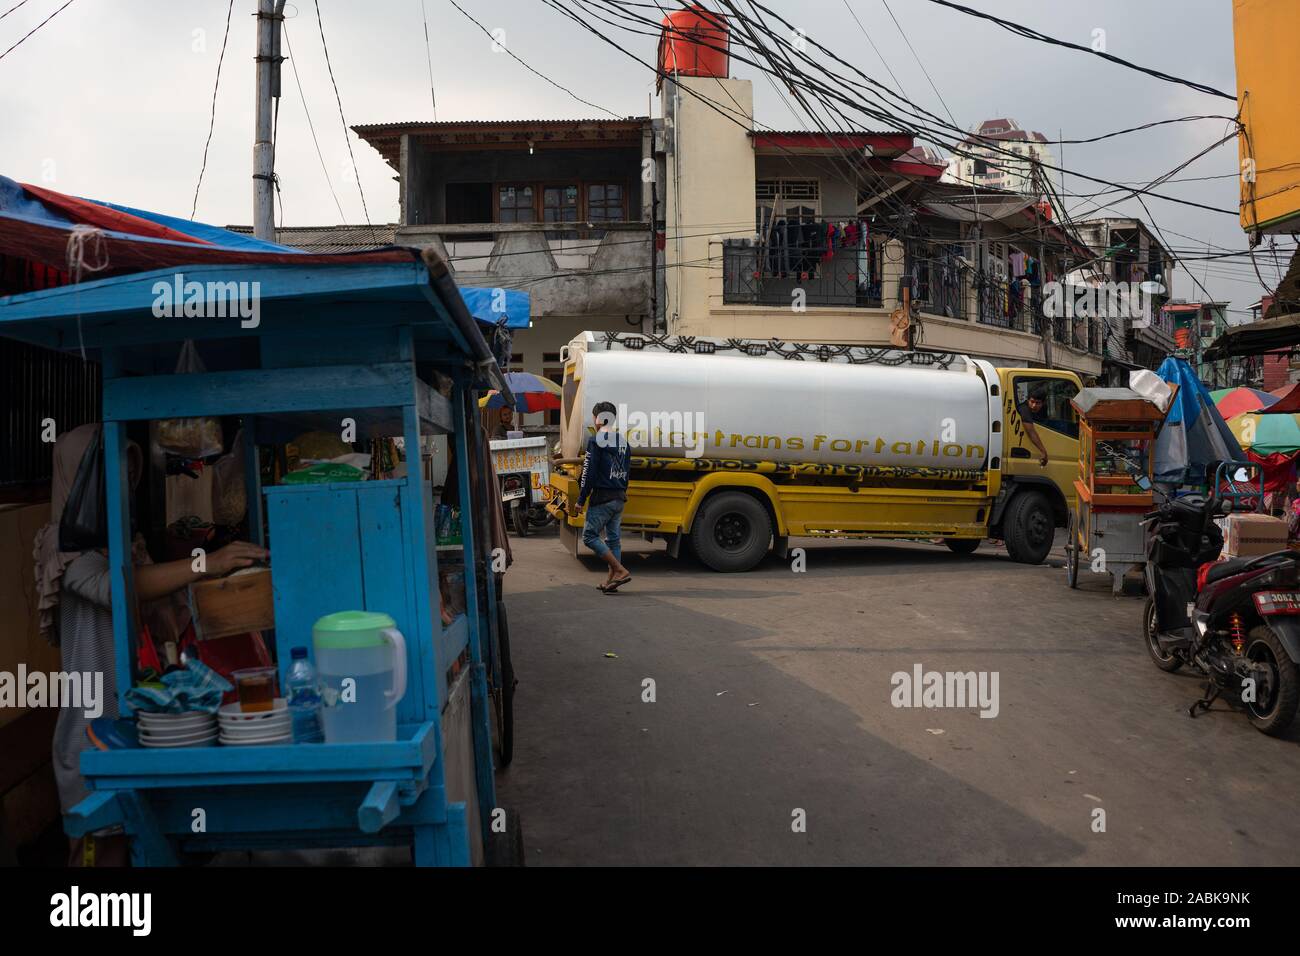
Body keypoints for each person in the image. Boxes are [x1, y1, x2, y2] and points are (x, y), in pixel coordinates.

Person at [33, 424, 267, 865]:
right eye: (107, 477)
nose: (121, 488)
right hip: (90, 739)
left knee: (137, 846)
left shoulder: (122, 548)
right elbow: (120, 589)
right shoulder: (65, 553)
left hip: (134, 730)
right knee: (100, 855)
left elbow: (165, 608)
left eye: (126, 477)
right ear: (78, 479)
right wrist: (206, 563)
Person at [570, 401, 632, 592]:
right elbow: (627, 471)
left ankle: (620, 570)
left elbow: (589, 472)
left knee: (589, 536)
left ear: (598, 419)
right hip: (619, 497)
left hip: (603, 497)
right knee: (613, 540)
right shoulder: (623, 442)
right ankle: (611, 582)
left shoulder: (596, 440)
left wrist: (581, 499)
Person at [1016, 383, 1051, 468]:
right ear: (1028, 400)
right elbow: (1031, 432)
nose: (1034, 406)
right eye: (1032, 402)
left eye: (1038, 403)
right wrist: (1043, 452)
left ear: (1043, 403)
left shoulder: (1044, 409)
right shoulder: (1024, 409)